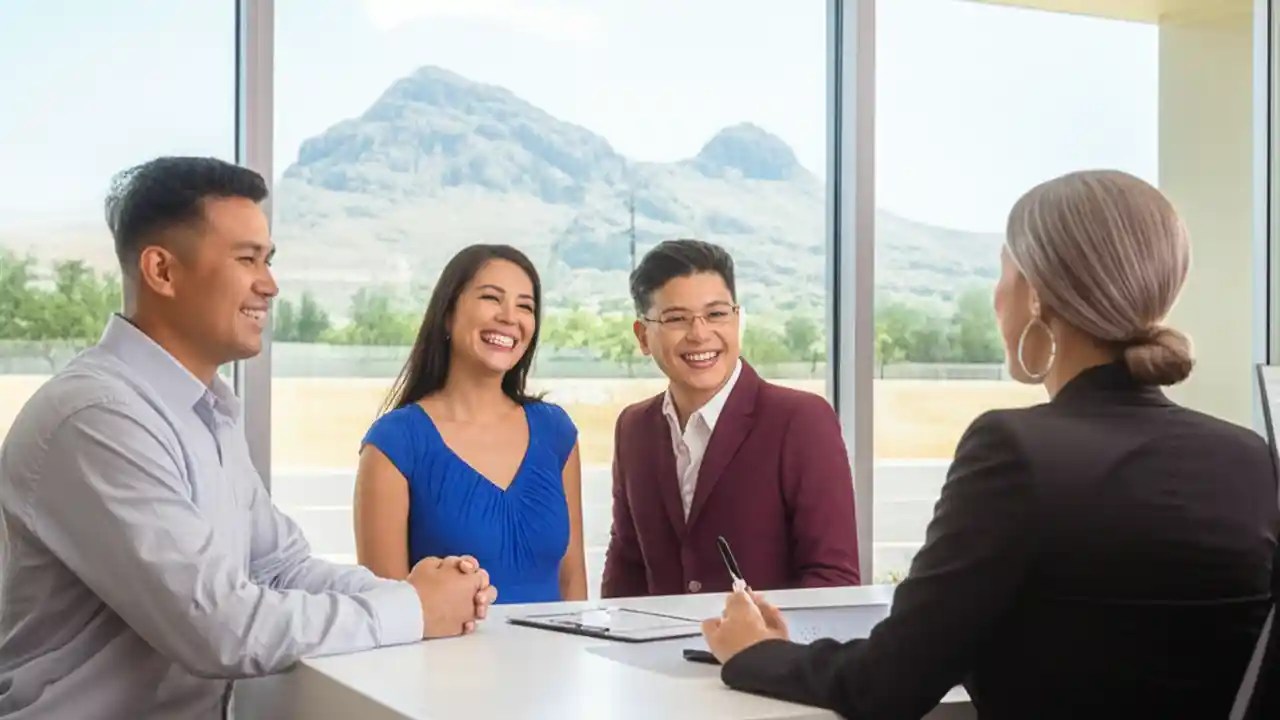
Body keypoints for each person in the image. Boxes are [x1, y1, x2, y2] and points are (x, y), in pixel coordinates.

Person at [701, 170, 1280, 719]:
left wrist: (754, 652)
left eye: (1003, 273)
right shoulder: (1249, 457)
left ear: (1034, 295)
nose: (995, 296)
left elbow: (887, 685)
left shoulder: (1014, 449)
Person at [0, 157, 497, 720]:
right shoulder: (97, 417)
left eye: (269, 259)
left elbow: (279, 567)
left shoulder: (204, 409)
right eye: (247, 259)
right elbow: (218, 626)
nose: (270, 284)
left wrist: (413, 595)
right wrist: (412, 609)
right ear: (162, 271)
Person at [601, 239, 859, 598]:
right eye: (676, 318)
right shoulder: (633, 427)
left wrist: (762, 648)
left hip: (770, 652)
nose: (700, 333)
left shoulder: (801, 421)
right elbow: (627, 562)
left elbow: (834, 580)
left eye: (717, 314)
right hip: (654, 651)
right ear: (643, 336)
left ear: (737, 319)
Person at [354, 244, 587, 604]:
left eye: (525, 306)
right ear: (448, 314)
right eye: (492, 298)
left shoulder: (555, 431)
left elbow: (574, 585)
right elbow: (386, 612)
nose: (510, 317)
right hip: (445, 661)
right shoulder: (395, 442)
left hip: (555, 658)